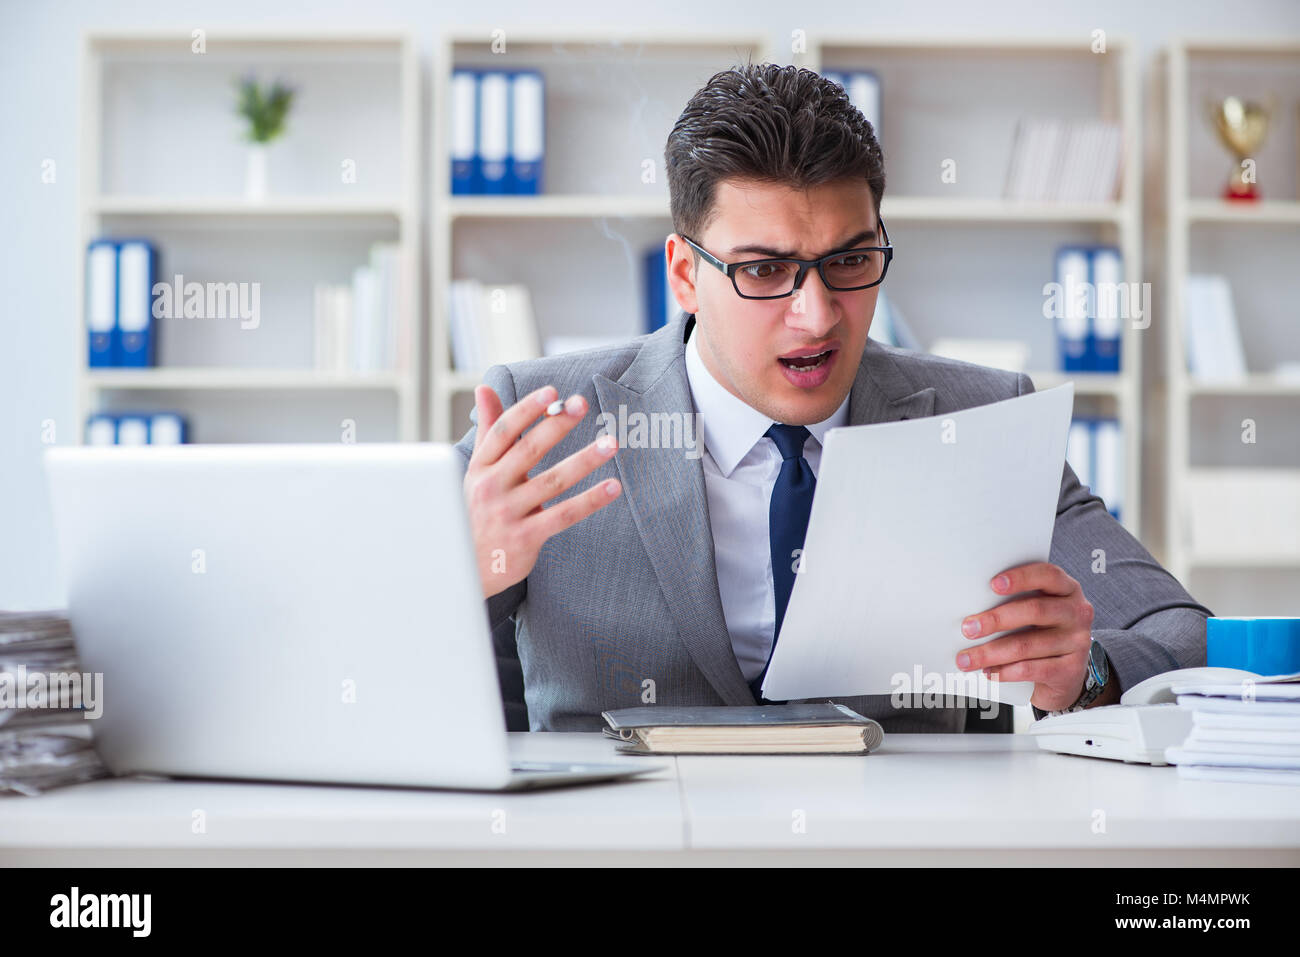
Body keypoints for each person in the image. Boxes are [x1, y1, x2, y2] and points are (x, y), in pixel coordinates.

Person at [453, 63, 1210, 732]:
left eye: (849, 259)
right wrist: (460, 569)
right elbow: (362, 656)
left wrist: (1086, 671)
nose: (815, 315)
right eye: (762, 270)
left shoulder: (981, 419)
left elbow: (1188, 636)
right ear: (684, 274)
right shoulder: (539, 418)